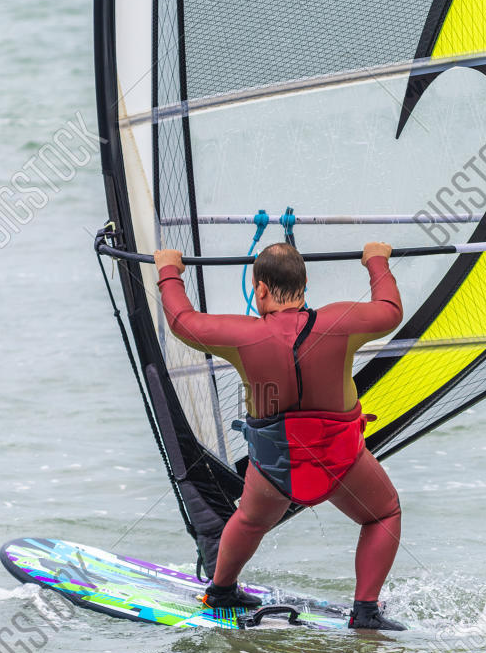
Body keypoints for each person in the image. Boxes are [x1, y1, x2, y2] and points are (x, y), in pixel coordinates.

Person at [152, 240, 407, 630]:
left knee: (250, 519)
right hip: (340, 462)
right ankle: (366, 611)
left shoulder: (242, 335)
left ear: (261, 290)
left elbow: (181, 321)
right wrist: (376, 260)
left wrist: (169, 270)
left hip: (275, 464)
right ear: (304, 287)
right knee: (383, 513)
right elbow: (390, 311)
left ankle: (221, 591)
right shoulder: (341, 322)